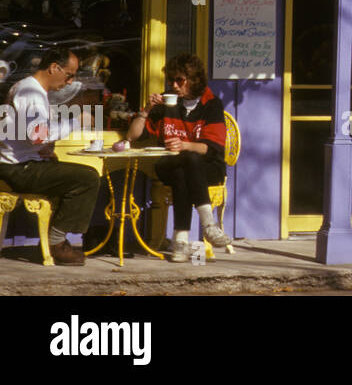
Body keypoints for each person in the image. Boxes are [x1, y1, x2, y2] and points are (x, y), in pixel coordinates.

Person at [123, 53, 232, 261]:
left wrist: (185, 145)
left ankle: (180, 242)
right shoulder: (167, 102)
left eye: (179, 80)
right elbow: (132, 136)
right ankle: (209, 224)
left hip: (207, 167)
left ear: (194, 80)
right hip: (169, 164)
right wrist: (147, 109)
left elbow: (213, 148)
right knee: (183, 165)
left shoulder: (211, 104)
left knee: (187, 166)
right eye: (171, 80)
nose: (174, 85)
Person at [0, 47, 101, 266]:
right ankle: (56, 243)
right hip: (19, 168)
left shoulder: (30, 89)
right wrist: (77, 121)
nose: (70, 81)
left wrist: (43, 151)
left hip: (22, 162)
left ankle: (51, 241)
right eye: (69, 74)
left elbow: (22, 133)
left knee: (72, 177)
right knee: (88, 178)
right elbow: (38, 135)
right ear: (54, 67)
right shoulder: (31, 92)